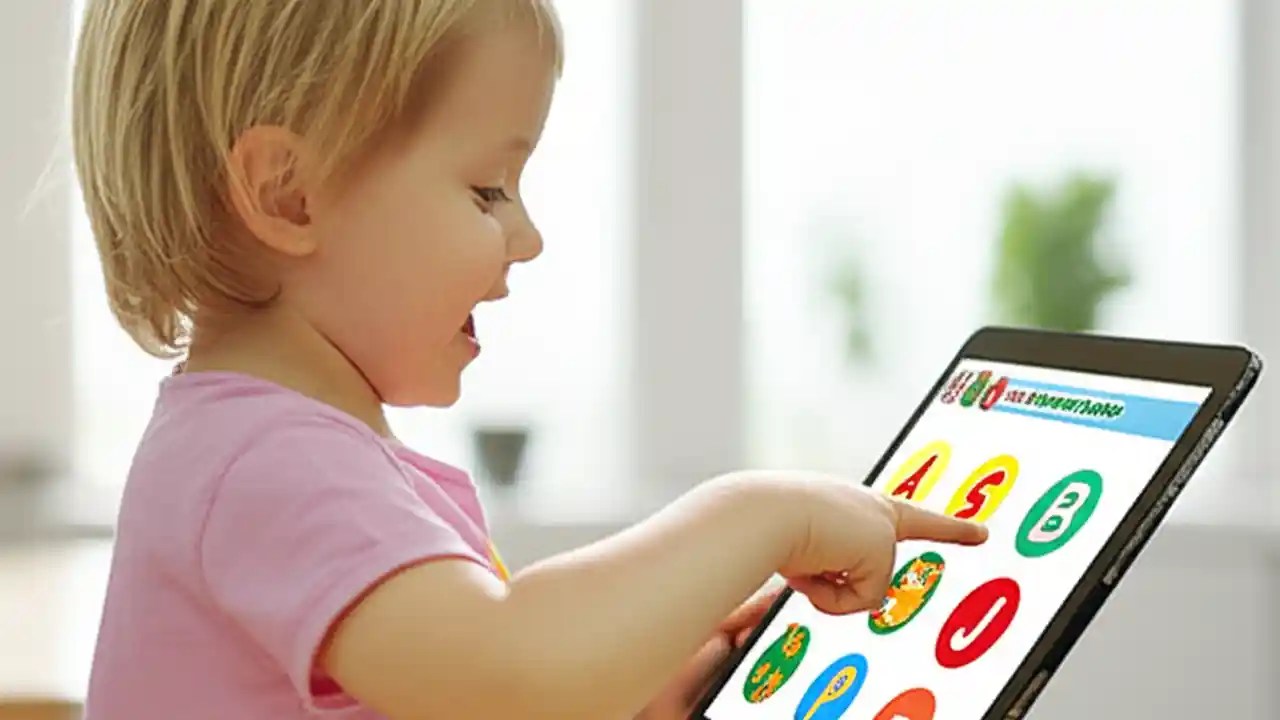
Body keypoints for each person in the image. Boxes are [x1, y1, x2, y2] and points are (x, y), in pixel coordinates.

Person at [70, 1, 988, 718]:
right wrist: (767, 513)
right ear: (288, 195)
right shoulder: (265, 461)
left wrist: (630, 692)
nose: (528, 237)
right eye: (487, 191)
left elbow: (488, 692)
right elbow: (512, 670)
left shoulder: (260, 451)